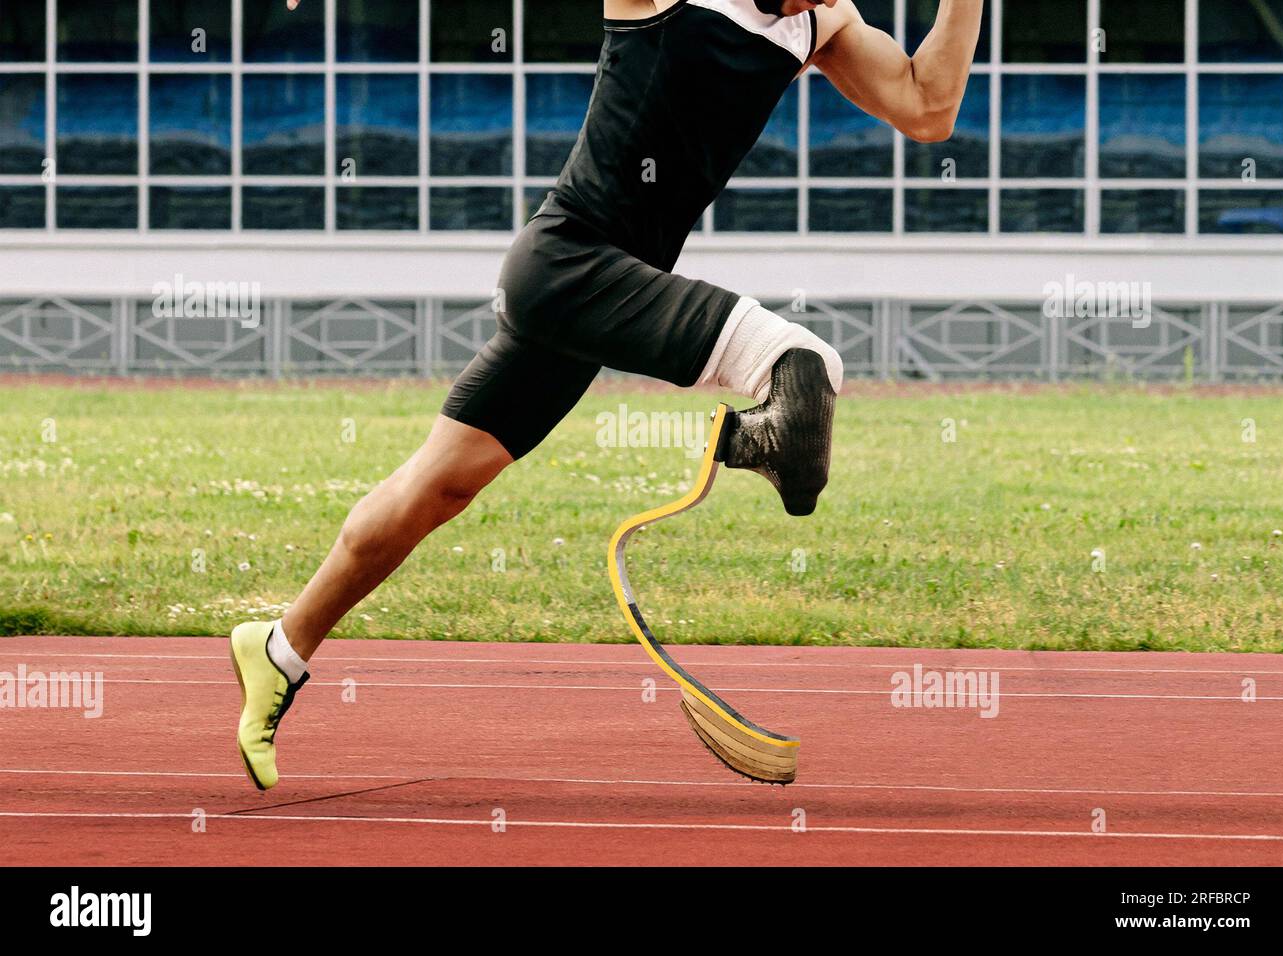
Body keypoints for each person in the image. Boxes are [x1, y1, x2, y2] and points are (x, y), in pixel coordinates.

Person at [232, 0, 984, 789]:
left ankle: (278, 647)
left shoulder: (821, 24)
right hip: (566, 265)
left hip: (604, 293)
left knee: (438, 487)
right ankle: (741, 440)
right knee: (802, 368)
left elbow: (928, 108)